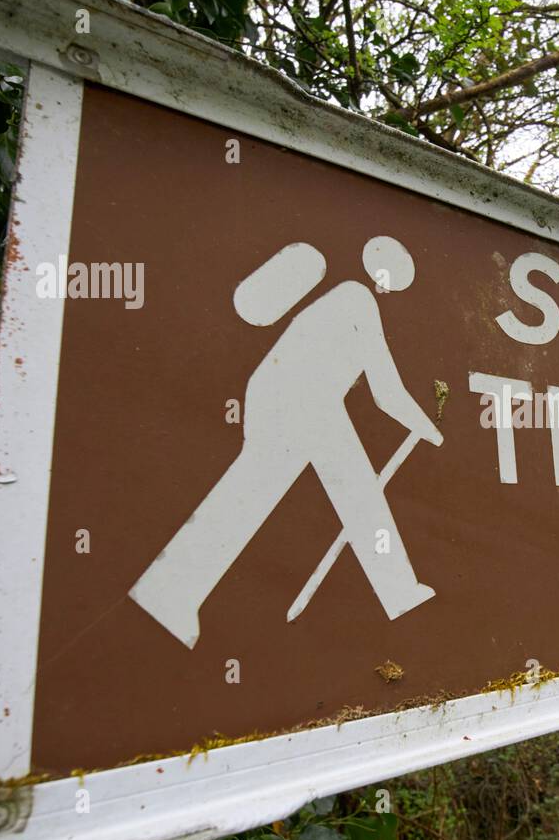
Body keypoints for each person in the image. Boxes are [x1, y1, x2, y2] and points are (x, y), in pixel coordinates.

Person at [130, 236, 442, 649]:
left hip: (292, 399)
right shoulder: (357, 299)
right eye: (394, 282)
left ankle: (170, 590)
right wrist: (431, 428)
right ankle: (168, 590)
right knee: (343, 493)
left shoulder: (343, 296)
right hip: (299, 403)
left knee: (340, 493)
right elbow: (385, 389)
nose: (391, 291)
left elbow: (378, 386)